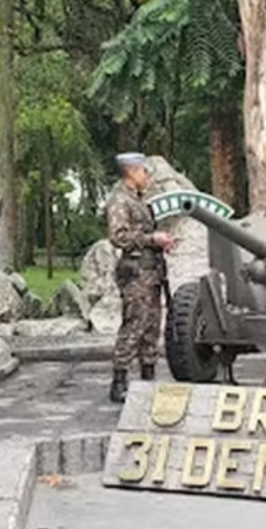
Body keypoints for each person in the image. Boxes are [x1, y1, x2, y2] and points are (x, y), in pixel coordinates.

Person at [106, 152, 174, 403]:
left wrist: (160, 242)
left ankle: (148, 376)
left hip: (151, 271)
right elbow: (119, 236)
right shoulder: (120, 201)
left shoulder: (139, 200)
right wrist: (151, 239)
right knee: (133, 325)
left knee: (151, 326)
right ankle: (119, 381)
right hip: (135, 273)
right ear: (132, 172)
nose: (147, 176)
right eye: (144, 171)